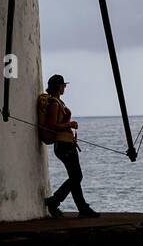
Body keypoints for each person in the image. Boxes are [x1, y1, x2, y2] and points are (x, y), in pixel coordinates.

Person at [37, 74, 100, 219]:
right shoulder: (54, 103)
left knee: (75, 177)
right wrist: (70, 124)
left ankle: (82, 208)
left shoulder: (58, 102)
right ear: (59, 86)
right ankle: (54, 201)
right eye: (63, 85)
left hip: (66, 144)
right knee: (77, 176)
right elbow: (52, 125)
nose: (65, 87)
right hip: (64, 146)